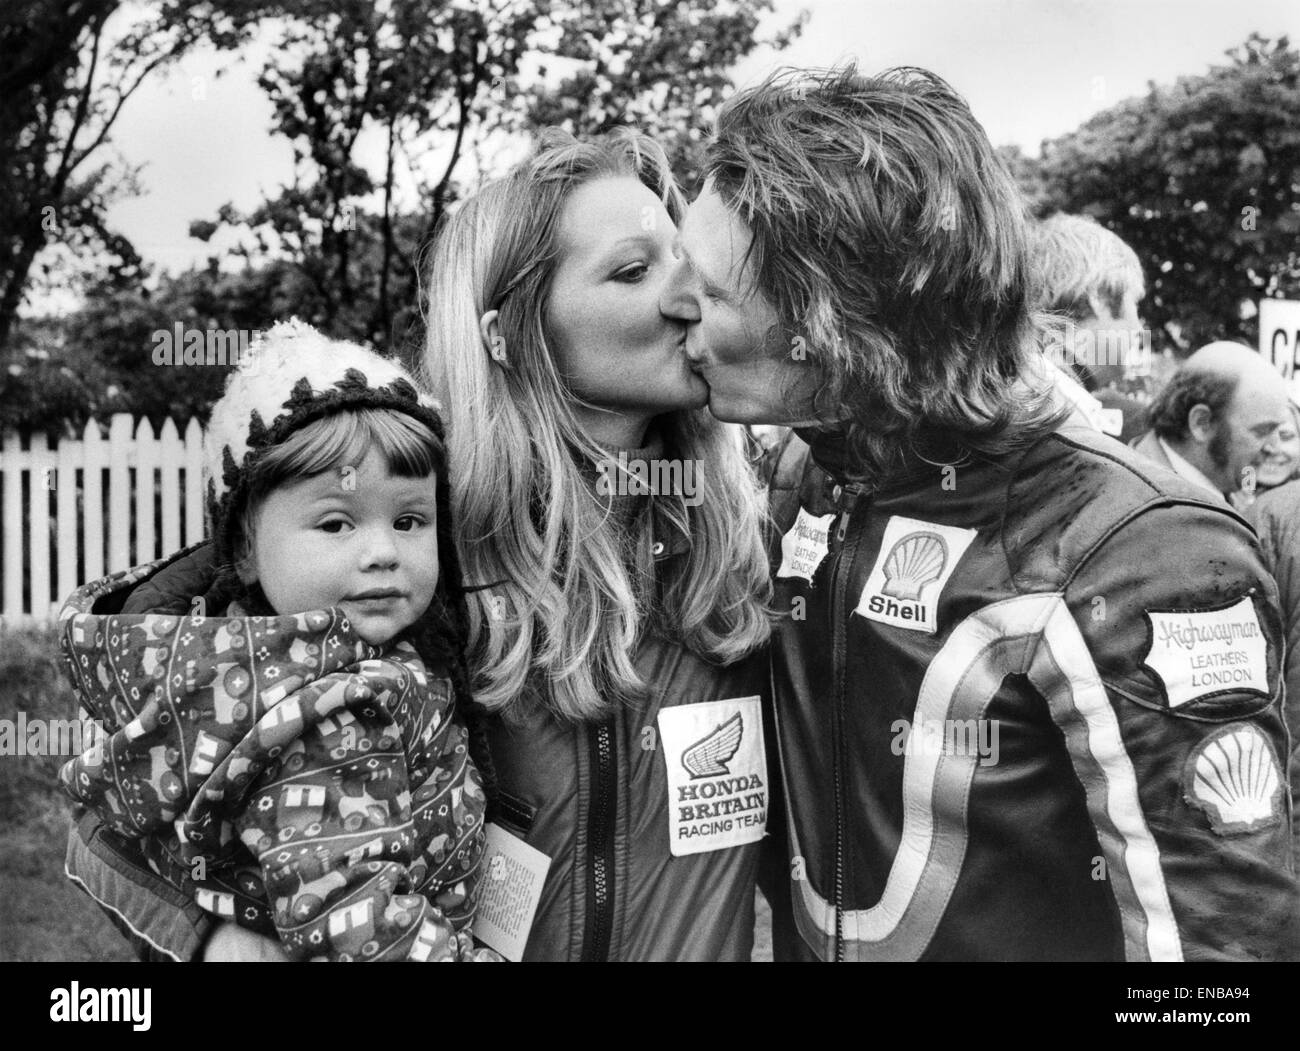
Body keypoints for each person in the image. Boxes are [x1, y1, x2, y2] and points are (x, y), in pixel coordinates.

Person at [63, 129, 776, 962]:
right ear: (510, 329)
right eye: (632, 269)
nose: (690, 297)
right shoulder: (418, 551)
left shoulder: (750, 545)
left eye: (684, 261)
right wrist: (213, 931)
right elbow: (136, 789)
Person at [659, 64, 1300, 961]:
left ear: (833, 319)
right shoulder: (810, 470)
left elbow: (1224, 952)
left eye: (712, 290)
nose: (673, 304)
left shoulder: (1149, 550)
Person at [59, 321, 496, 962]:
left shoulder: (309, 656)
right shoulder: (327, 711)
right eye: (335, 522)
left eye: (409, 520)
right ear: (245, 548)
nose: (382, 552)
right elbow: (357, 927)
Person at [1027, 213, 1150, 443]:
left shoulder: (1031, 391)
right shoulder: (1056, 419)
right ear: (1100, 299)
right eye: (1134, 304)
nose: (1139, 327)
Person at [1132, 340, 1293, 508]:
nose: (1275, 448)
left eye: (1279, 431)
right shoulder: (1142, 506)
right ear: (1201, 423)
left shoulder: (1230, 487)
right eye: (1262, 431)